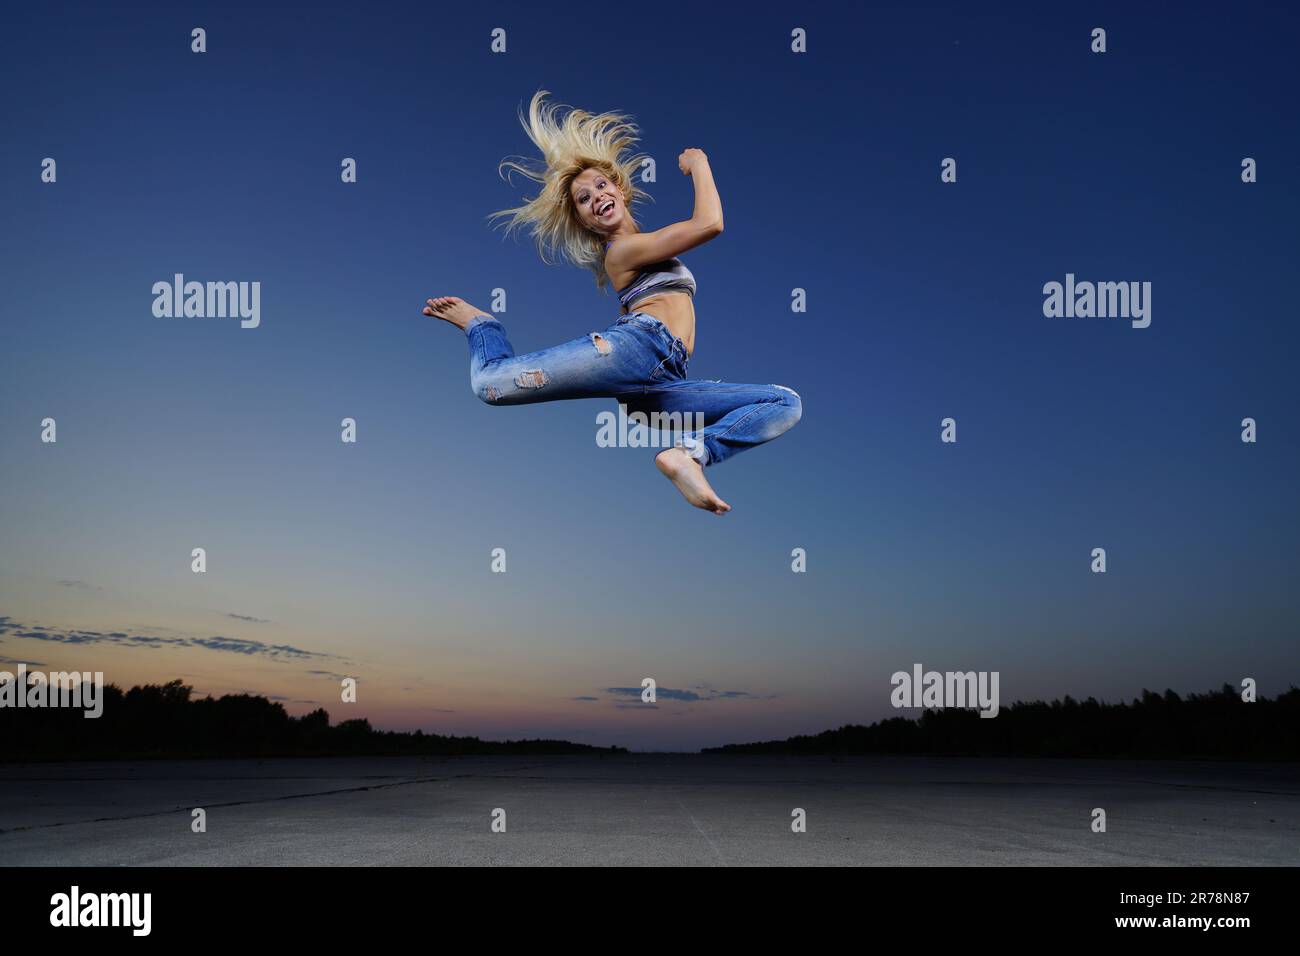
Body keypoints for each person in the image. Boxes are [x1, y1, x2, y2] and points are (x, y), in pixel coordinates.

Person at [423, 91, 801, 515]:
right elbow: (710, 223)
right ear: (583, 220)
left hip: (659, 384)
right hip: (643, 350)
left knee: (784, 402)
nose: (596, 198)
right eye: (584, 199)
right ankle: (482, 326)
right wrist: (699, 162)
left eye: (601, 186)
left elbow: (633, 309)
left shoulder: (639, 250)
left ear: (619, 189)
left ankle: (691, 454)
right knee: (490, 385)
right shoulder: (621, 251)